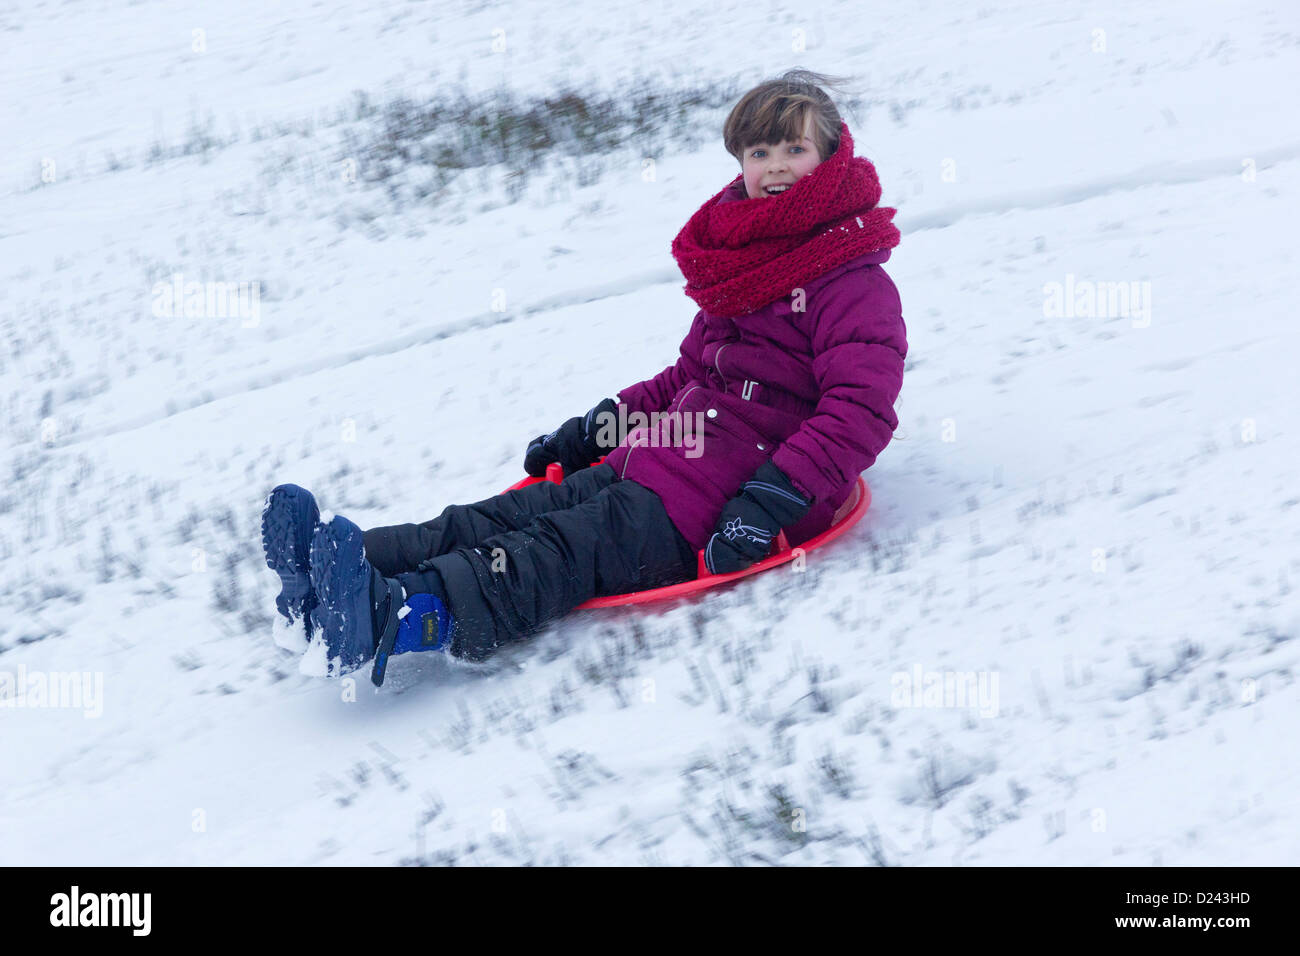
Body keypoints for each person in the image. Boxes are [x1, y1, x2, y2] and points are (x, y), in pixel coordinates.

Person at [261, 69, 907, 686]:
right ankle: (334, 572)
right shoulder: (744, 262)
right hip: (659, 459)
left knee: (552, 552)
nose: (774, 166)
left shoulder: (850, 280)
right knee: (498, 516)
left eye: (794, 148)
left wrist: (767, 504)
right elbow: (689, 376)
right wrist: (595, 430)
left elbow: (860, 409)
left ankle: (386, 617)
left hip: (721, 500)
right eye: (760, 150)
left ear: (831, 155)